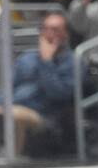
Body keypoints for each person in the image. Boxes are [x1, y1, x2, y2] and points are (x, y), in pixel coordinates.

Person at [7, 10, 75, 156]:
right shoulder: (26, 58)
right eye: (45, 29)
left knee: (13, 114)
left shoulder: (73, 62)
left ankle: (13, 160)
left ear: (66, 34)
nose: (49, 34)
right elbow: (9, 88)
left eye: (55, 30)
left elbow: (59, 94)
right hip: (14, 106)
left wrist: (46, 62)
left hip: (47, 115)